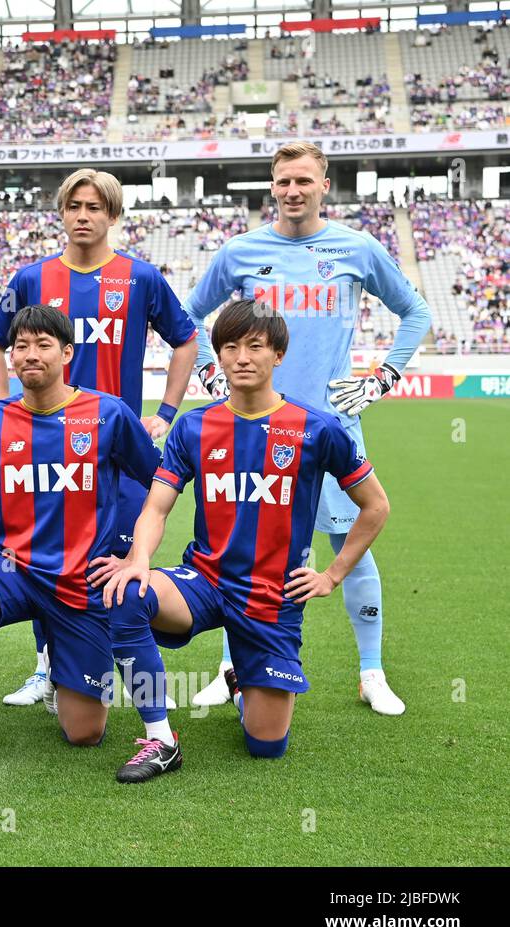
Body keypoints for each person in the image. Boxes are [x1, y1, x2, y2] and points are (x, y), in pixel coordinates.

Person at [185, 141, 430, 715]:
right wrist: (208, 372)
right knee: (238, 548)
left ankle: (371, 672)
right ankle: (230, 668)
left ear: (324, 183)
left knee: (350, 544)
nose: (292, 191)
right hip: (252, 427)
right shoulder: (242, 251)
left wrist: (384, 374)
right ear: (272, 186)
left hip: (331, 426)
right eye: (283, 182)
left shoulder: (357, 247)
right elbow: (190, 313)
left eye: (303, 180)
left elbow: (415, 310)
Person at [104, 300, 389, 783]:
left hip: (272, 596)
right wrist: (138, 559)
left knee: (266, 746)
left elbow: (375, 505)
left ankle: (243, 682)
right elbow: (156, 506)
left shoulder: (316, 428)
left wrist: (332, 574)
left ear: (278, 354)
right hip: (205, 580)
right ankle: (162, 740)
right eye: (230, 347)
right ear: (218, 357)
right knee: (128, 593)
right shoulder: (195, 426)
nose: (241, 357)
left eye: (255, 346)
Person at [0, 168, 198, 710]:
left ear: (113, 215)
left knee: (107, 565)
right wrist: (4, 408)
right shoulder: (32, 277)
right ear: (61, 213)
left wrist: (166, 414)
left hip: (114, 451)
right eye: (74, 205)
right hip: (39, 448)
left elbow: (187, 340)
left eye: (95, 207)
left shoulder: (140, 277)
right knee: (39, 551)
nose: (83, 215)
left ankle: (107, 668)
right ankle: (46, 669)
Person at [0, 305, 160, 770]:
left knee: (85, 734)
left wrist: (135, 554)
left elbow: (160, 485)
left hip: (82, 581)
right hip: (13, 571)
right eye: (20, 346)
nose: (29, 355)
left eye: (43, 345)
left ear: (67, 352)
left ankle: (59, 667)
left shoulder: (108, 414)